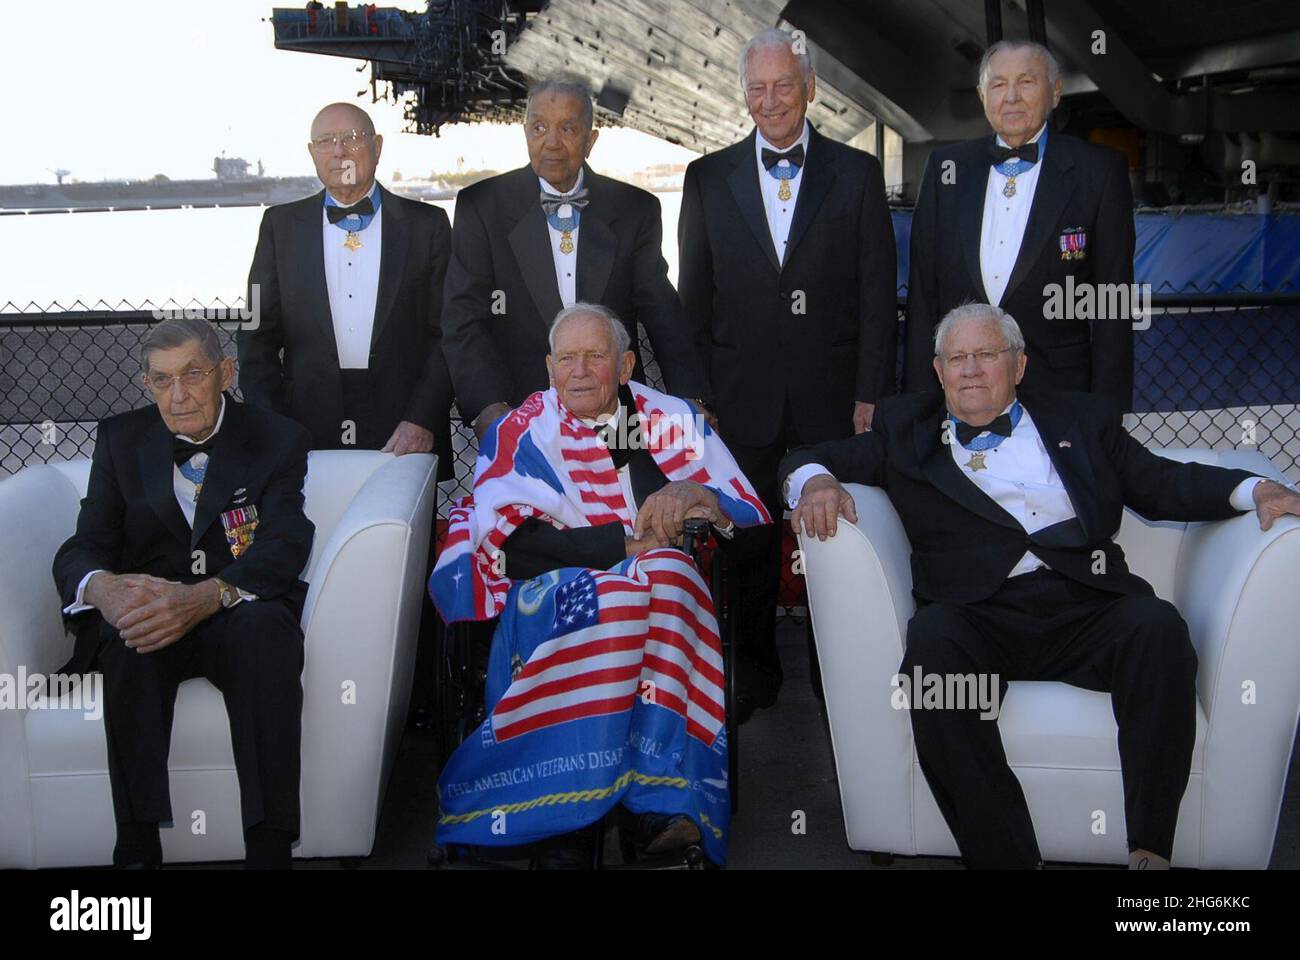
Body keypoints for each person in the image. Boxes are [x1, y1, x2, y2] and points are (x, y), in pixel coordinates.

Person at [781, 303, 1300, 869]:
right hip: (975, 615)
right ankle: (1007, 859)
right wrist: (819, 483)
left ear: (1019, 364)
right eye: (957, 357)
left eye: (987, 354)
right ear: (938, 370)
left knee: (1158, 630)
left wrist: (1254, 492)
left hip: (1085, 602)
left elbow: (1161, 482)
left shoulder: (1079, 419)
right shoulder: (905, 429)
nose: (971, 369)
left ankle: (1151, 850)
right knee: (933, 655)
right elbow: (802, 456)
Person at [429, 303, 770, 868]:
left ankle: (657, 812)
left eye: (596, 356)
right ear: (548, 367)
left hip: (659, 589)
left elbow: (748, 525)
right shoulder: (521, 433)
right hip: (554, 588)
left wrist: (699, 495)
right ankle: (563, 821)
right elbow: (510, 547)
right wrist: (621, 547)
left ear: (627, 364)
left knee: (667, 575)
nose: (580, 371)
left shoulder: (670, 422)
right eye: (567, 358)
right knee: (622, 594)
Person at [678, 27, 897, 719]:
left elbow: (875, 296)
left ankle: (841, 677)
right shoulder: (706, 178)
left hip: (834, 402)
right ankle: (752, 674)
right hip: (739, 402)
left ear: (809, 90)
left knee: (841, 540)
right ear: (744, 95)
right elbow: (693, 297)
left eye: (783, 86)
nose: (770, 100)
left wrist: (870, 396)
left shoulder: (857, 175)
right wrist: (697, 397)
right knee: (744, 544)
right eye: (757, 88)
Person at [53, 317, 315, 869]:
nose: (177, 396)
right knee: (128, 633)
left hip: (233, 608)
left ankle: (269, 850)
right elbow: (84, 545)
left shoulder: (277, 436)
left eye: (192, 375)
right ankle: (137, 846)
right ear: (146, 383)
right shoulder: (120, 439)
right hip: (154, 611)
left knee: (268, 633)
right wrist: (104, 591)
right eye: (161, 380)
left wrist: (208, 596)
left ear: (225, 372)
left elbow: (287, 540)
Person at [441, 74, 709, 443]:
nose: (551, 143)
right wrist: (489, 411)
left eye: (567, 128)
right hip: (519, 416)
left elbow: (662, 311)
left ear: (591, 139)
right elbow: (462, 320)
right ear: (525, 134)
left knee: (628, 500)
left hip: (616, 414)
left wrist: (690, 399)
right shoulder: (481, 207)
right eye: (539, 127)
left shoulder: (636, 209)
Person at [903, 39, 1136, 411]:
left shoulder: (1099, 172)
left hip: (1061, 396)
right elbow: (923, 298)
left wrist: (1109, 411)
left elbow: (1112, 301)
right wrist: (917, 403)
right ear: (982, 96)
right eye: (998, 84)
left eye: (1026, 82)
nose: (1011, 97)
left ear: (1055, 92)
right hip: (960, 399)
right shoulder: (945, 169)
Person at [239, 101, 453, 470]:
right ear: (312, 153)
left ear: (377, 147)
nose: (339, 150)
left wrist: (423, 417)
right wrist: (273, 424)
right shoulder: (279, 227)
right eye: (326, 140)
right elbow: (255, 334)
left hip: (405, 426)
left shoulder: (428, 226)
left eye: (352, 138)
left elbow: (450, 332)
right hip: (304, 424)